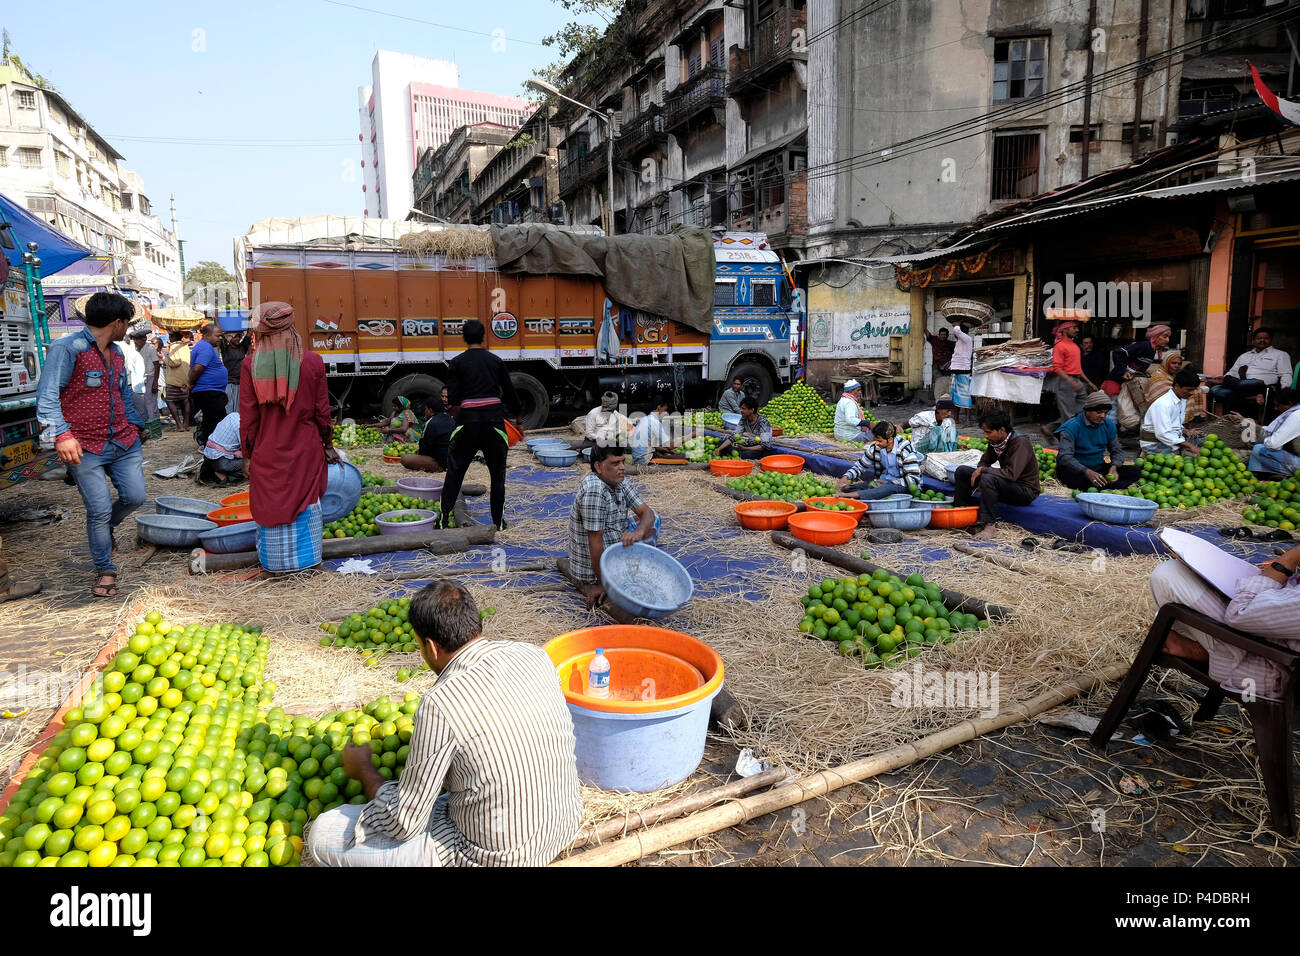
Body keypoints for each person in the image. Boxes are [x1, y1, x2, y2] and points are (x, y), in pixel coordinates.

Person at [308, 580, 582, 867]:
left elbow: (403, 823)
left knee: (324, 833)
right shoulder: (534, 655)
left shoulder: (440, 704)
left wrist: (364, 770)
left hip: (499, 858)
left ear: (430, 646)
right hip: (561, 824)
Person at [35, 292, 150, 599]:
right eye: (127, 322)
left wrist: (136, 425)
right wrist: (61, 435)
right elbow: (47, 397)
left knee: (136, 496)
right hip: (83, 446)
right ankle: (105, 568)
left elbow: (122, 394)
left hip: (123, 440)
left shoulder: (118, 353)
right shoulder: (67, 348)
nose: (128, 328)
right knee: (97, 509)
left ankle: (106, 528)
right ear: (117, 322)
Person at [239, 302, 339, 574]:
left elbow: (248, 419)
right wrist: (328, 445)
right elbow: (322, 413)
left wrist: (247, 456)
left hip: (267, 451)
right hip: (305, 450)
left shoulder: (250, 365)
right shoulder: (314, 362)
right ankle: (308, 562)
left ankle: (276, 566)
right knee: (307, 502)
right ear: (291, 324)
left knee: (271, 503)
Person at [1148, 543, 1300, 701]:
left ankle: (1205, 652)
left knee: (1167, 575)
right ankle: (1204, 650)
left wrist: (1286, 561)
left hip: (1262, 670)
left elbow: (1240, 614)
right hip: (1271, 640)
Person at [439, 319, 523, 532]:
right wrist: (519, 421)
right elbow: (511, 394)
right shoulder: (496, 361)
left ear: (464, 338)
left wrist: (468, 399)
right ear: (484, 336)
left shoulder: (456, 363)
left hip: (467, 423)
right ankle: (499, 523)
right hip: (494, 423)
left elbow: (454, 397)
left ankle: (443, 521)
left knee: (455, 473)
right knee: (497, 475)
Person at [566, 445, 658, 607]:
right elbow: (595, 543)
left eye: (623, 461)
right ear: (598, 467)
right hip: (593, 571)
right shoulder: (594, 491)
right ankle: (611, 574)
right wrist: (604, 584)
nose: (622, 467)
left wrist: (638, 532)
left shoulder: (618, 480)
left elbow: (647, 513)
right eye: (615, 463)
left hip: (611, 540)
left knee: (653, 519)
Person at [952, 410, 1041, 542]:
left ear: (1001, 430)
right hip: (1007, 485)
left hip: (1024, 491)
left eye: (988, 432)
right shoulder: (996, 441)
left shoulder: (1020, 443)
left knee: (988, 477)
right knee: (962, 471)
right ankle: (961, 512)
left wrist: (983, 471)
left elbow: (1011, 474)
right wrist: (979, 472)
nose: (985, 436)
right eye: (984, 432)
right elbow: (985, 461)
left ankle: (990, 526)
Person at [1055, 391, 1140, 491]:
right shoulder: (1071, 427)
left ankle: (1104, 483)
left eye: (1106, 412)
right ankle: (1105, 484)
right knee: (1087, 483)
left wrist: (1114, 467)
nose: (1103, 416)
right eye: (1099, 412)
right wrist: (1086, 471)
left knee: (1136, 472)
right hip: (1074, 471)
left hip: (1097, 467)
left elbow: (1117, 450)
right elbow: (1065, 457)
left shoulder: (1108, 425)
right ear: (1087, 411)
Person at [1211, 327, 1293, 416]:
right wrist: (1226, 377)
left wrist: (1285, 392)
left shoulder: (1280, 354)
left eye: (1265, 338)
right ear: (1253, 340)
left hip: (1261, 385)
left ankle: (1228, 383)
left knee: (1250, 382)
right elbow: (1234, 371)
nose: (1262, 340)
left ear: (1271, 340)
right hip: (1241, 386)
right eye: (1259, 338)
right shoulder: (1244, 356)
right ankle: (1253, 397)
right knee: (1215, 389)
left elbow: (1286, 374)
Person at [835, 421, 923, 500]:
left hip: (902, 484)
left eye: (879, 441)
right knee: (849, 488)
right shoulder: (876, 448)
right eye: (875, 440)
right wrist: (846, 477)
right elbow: (861, 465)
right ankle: (853, 494)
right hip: (882, 483)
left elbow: (913, 479)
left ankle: (853, 496)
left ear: (890, 439)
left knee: (888, 488)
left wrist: (890, 483)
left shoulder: (905, 450)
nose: (876, 443)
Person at [1103, 324, 1172, 422]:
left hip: (1127, 384)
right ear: (1155, 336)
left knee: (1121, 409)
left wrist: (1143, 373)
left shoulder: (1152, 351)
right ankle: (1109, 433)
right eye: (1165, 336)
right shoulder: (1143, 346)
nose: (1167, 340)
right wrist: (1123, 371)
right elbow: (1117, 353)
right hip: (1116, 381)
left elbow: (1137, 365)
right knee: (1113, 409)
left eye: (1168, 337)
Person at [1041, 319, 1092, 444]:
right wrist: (1070, 381)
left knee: (1081, 414)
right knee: (1068, 415)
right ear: (1065, 329)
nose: (1077, 330)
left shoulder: (1075, 346)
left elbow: (1079, 370)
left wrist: (1089, 383)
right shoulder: (1060, 346)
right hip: (1066, 382)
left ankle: (1049, 428)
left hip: (1077, 382)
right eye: (1074, 327)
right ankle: (1069, 443)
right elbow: (1057, 368)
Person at [1140, 368, 1202, 456]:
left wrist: (1185, 430)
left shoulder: (1182, 400)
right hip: (1155, 443)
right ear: (1176, 386)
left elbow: (1173, 423)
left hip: (1170, 439)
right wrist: (1190, 446)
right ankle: (1145, 454)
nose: (1192, 393)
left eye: (1194, 390)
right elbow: (1162, 433)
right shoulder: (1164, 404)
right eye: (1189, 390)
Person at [188, 321, 229, 448]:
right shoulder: (205, 347)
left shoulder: (205, 346)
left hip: (211, 391)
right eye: (217, 336)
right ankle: (213, 447)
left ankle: (208, 443)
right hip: (209, 391)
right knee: (217, 421)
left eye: (221, 336)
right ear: (206, 336)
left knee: (210, 420)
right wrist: (189, 383)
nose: (220, 338)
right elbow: (197, 368)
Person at [1248, 388, 1300, 480]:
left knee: (1259, 449)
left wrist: (1265, 439)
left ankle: (1258, 477)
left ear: (1289, 403)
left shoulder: (1296, 416)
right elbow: (1270, 431)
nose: (1275, 408)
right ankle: (1267, 474)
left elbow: (1273, 444)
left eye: (1278, 405)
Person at [1144, 351, 1207, 423]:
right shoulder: (1158, 377)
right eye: (1174, 363)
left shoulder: (1174, 376)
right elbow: (1164, 394)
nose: (1177, 366)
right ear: (1166, 363)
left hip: (1173, 404)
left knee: (1194, 391)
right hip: (1160, 409)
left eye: (1179, 364)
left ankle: (1186, 419)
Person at [401, 396, 456, 473]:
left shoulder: (431, 422)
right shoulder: (451, 419)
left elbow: (424, 447)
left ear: (430, 410)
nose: (425, 411)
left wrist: (419, 454)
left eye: (426, 409)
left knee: (405, 459)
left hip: (441, 461)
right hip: (453, 459)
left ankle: (438, 468)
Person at [198, 411, 243, 487]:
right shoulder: (241, 426)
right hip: (220, 460)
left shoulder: (233, 415)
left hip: (209, 456)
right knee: (254, 465)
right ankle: (225, 477)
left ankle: (212, 470)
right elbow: (248, 448)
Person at [629, 394, 674, 465]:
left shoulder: (644, 419)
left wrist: (665, 450)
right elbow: (670, 446)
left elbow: (651, 445)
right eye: (665, 410)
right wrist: (692, 435)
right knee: (683, 458)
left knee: (664, 453)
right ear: (659, 408)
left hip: (637, 458)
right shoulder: (654, 422)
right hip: (645, 460)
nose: (666, 413)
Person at [948, 320, 976, 426]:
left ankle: (968, 420)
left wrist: (958, 323)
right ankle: (956, 418)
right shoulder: (960, 341)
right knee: (955, 396)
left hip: (963, 371)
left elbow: (956, 329)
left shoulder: (967, 339)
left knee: (965, 396)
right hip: (956, 371)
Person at [163, 330, 192, 431]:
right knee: (185, 401)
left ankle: (179, 425)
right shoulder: (185, 346)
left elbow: (174, 363)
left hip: (174, 379)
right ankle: (186, 423)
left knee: (170, 401)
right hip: (185, 378)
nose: (169, 338)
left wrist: (164, 358)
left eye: (170, 335)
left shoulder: (174, 346)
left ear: (175, 337)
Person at [121, 324, 149, 427]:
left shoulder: (132, 352)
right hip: (131, 385)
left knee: (138, 409)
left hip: (133, 385)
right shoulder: (130, 352)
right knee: (139, 410)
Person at [222, 331, 250, 413]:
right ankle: (228, 424)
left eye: (239, 337)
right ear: (230, 338)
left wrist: (249, 320)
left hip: (240, 382)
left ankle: (236, 425)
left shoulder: (242, 348)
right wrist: (216, 318)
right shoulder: (225, 349)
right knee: (229, 407)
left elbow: (249, 334)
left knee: (239, 408)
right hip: (229, 382)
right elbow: (221, 334)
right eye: (236, 337)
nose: (238, 339)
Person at [927, 328, 955, 400]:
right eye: (942, 334)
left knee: (946, 385)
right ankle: (938, 401)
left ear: (947, 335)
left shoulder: (950, 344)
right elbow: (927, 333)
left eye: (945, 335)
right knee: (938, 384)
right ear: (939, 335)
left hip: (947, 369)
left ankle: (946, 401)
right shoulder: (934, 340)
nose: (943, 336)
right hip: (937, 367)